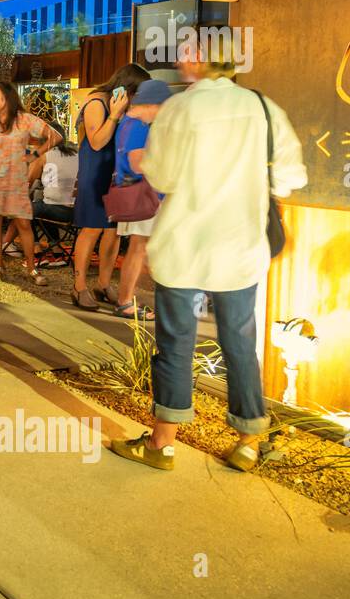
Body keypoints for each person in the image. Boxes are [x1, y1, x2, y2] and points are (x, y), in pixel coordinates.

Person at [109, 39, 306, 474]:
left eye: (185, 51)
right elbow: (290, 177)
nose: (179, 58)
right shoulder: (263, 107)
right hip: (240, 244)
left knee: (175, 343)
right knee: (239, 341)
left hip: (186, 242)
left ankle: (162, 445)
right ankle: (250, 441)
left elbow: (161, 173)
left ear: (198, 61)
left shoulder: (181, 109)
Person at [70, 63, 150, 309]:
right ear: (126, 88)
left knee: (114, 231)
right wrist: (115, 115)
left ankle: (104, 283)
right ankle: (79, 286)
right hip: (95, 172)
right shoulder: (97, 102)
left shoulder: (128, 107)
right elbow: (96, 142)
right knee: (92, 228)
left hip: (116, 172)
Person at [0, 81, 60, 285]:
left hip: (16, 181)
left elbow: (55, 136)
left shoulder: (25, 119)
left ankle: (32, 269)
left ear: (8, 97)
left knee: (23, 224)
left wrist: (35, 154)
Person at [109, 80, 172, 320]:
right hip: (143, 194)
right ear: (151, 104)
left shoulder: (126, 123)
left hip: (136, 193)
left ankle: (130, 300)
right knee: (139, 248)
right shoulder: (137, 126)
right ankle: (126, 301)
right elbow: (138, 163)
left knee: (140, 248)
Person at [29, 122, 79, 267]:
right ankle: (56, 247)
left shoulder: (45, 156)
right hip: (77, 211)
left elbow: (27, 179)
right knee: (45, 202)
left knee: (27, 208)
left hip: (58, 210)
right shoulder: (76, 154)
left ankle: (35, 246)